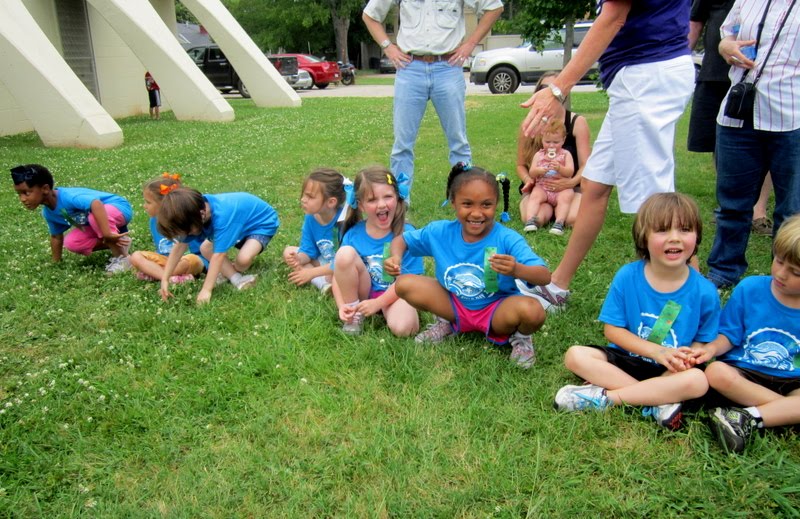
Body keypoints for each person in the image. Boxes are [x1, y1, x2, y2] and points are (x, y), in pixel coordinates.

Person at [519, 0, 695, 313]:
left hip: (645, 75)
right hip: (640, 75)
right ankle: (558, 285)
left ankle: (682, 305)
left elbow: (613, 16)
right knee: (595, 185)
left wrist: (558, 89)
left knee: (656, 208)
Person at [554, 193, 720, 430]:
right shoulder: (628, 276)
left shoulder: (705, 291)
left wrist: (689, 356)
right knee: (575, 355)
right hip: (629, 359)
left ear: (697, 236)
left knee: (698, 380)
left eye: (685, 229)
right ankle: (656, 401)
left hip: (671, 371)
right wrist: (657, 351)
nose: (675, 238)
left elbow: (703, 343)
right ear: (644, 237)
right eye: (663, 230)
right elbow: (612, 330)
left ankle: (607, 398)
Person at [386, 163, 551, 369]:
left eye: (486, 205)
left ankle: (521, 339)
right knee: (404, 284)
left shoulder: (507, 238)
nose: (476, 213)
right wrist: (395, 257)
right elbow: (401, 241)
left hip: (496, 309)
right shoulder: (440, 232)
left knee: (533, 311)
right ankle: (446, 323)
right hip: (453, 304)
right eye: (467, 204)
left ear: (496, 204)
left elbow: (544, 276)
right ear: (453, 202)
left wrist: (517, 269)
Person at [705, 0, 800, 289]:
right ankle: (723, 271)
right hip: (739, 114)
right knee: (732, 204)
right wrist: (726, 47)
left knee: (791, 210)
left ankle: (784, 279)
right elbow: (727, 33)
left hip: (792, 116)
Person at [362, 0, 503, 190]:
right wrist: (388, 47)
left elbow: (494, 7)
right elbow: (370, 15)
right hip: (410, 68)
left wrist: (470, 44)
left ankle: (465, 201)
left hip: (448, 68)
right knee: (402, 145)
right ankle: (400, 205)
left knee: (458, 143)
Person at [689, 215, 800, 452]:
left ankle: (745, 417)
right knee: (716, 371)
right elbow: (729, 334)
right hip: (744, 374)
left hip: (792, 379)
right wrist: (710, 349)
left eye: (795, 272)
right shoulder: (750, 288)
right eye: (779, 261)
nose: (781, 274)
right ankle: (785, 413)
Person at [687, 0, 774, 236]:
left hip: (762, 76)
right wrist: (681, 62)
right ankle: (730, 204)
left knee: (768, 137)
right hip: (716, 73)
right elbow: (695, 23)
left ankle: (758, 210)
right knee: (722, 142)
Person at [334, 166, 422, 336]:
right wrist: (342, 305)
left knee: (406, 328)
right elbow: (337, 275)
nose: (381, 204)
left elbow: (410, 282)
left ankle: (386, 310)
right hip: (363, 293)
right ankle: (354, 314)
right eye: (372, 199)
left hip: (396, 293)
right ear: (361, 205)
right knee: (344, 254)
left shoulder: (408, 235)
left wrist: (379, 303)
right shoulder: (353, 234)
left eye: (388, 197)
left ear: (398, 197)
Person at [156, 188, 279, 305]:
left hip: (260, 225)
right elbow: (179, 246)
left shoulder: (223, 217)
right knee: (205, 248)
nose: (188, 235)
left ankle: (232, 271)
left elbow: (218, 255)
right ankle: (236, 278)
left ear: (201, 214)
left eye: (189, 232)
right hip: (239, 226)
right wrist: (165, 278)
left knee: (243, 260)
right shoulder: (195, 213)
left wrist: (206, 290)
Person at [11, 164, 133, 274]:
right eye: (19, 194)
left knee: (93, 216)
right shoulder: (49, 213)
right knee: (72, 243)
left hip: (117, 208)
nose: (22, 199)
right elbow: (56, 237)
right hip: (95, 221)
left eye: (26, 193)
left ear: (45, 189)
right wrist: (56, 263)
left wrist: (107, 234)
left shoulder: (69, 197)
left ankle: (123, 258)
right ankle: (121, 240)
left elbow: (96, 204)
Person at [517, 72, 591, 233]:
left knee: (572, 218)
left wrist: (570, 183)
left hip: (568, 188)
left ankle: (559, 214)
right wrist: (529, 179)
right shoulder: (529, 124)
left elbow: (586, 165)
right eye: (545, 88)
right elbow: (520, 165)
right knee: (534, 217)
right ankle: (549, 213)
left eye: (555, 88)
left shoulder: (577, 122)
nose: (550, 93)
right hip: (540, 186)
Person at [128, 174, 206, 284]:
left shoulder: (184, 218)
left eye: (148, 202)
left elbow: (200, 250)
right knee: (136, 256)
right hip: (168, 262)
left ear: (165, 203)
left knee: (190, 260)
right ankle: (169, 278)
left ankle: (157, 274)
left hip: (192, 259)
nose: (144, 206)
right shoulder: (154, 221)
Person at [283, 168, 348, 295]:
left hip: (342, 265)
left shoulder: (343, 221)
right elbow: (308, 250)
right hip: (323, 261)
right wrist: (299, 259)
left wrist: (310, 272)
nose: (303, 199)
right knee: (288, 251)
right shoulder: (310, 217)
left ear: (331, 202)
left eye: (310, 196)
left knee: (337, 278)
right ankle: (322, 284)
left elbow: (343, 262)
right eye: (304, 194)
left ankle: (321, 280)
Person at [521, 118, 575, 235]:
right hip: (543, 187)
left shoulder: (565, 154)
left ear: (563, 140)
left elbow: (570, 172)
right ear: (542, 139)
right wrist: (539, 170)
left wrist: (560, 168)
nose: (551, 145)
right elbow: (532, 172)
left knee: (565, 199)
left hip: (562, 188)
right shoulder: (539, 155)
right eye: (547, 141)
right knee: (535, 196)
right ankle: (530, 220)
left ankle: (559, 223)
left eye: (556, 142)